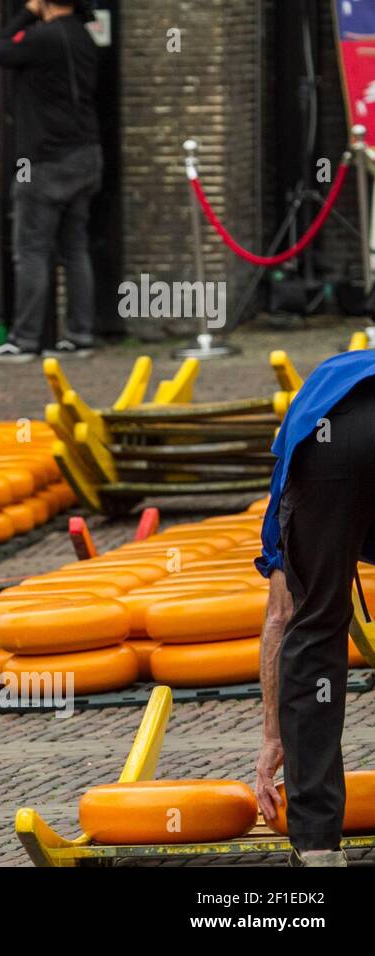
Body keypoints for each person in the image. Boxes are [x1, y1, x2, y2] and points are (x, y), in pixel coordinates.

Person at [255, 350, 375, 867]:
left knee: (317, 626)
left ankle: (320, 847)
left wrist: (273, 737)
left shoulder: (297, 456)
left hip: (337, 439)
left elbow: (281, 619)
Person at [0, 0, 101, 364]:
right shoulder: (83, 36)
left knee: (31, 251)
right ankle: (80, 334)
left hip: (46, 160)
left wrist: (27, 13)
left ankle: (24, 340)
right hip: (85, 154)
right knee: (75, 249)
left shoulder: (42, 37)